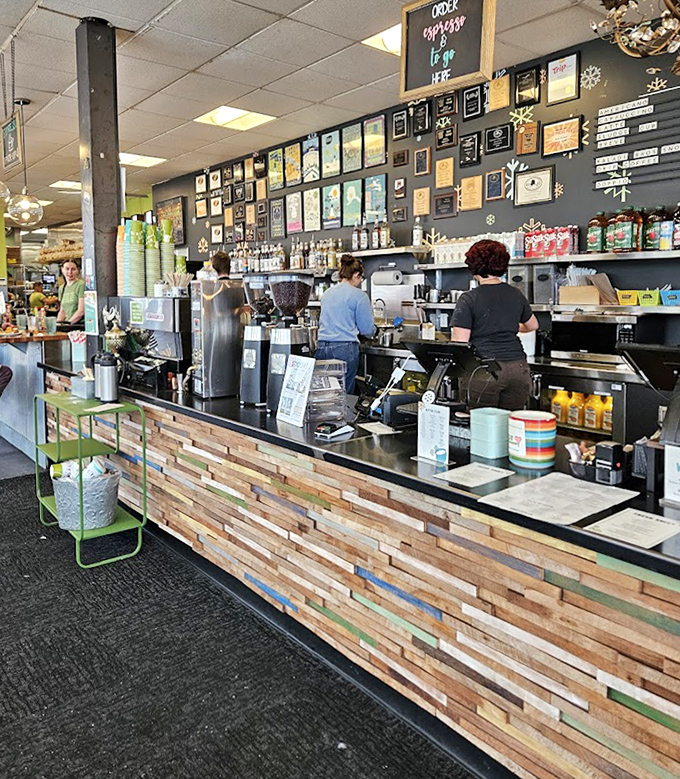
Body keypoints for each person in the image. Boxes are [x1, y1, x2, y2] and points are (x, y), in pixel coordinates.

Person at [452, 239, 539, 410]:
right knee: (512, 427)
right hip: (518, 368)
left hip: (484, 370)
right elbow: (533, 325)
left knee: (484, 429)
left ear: (473, 267)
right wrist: (512, 326)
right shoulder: (515, 293)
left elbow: (460, 343)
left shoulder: (469, 298)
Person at [316, 255, 375, 394]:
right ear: (355, 275)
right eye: (361, 278)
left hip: (322, 347)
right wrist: (375, 332)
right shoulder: (359, 296)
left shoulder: (327, 293)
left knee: (325, 393)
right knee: (343, 395)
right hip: (344, 349)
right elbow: (367, 329)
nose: (361, 281)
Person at [56, 260, 85, 325]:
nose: (70, 272)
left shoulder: (81, 285)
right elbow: (62, 311)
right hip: (67, 325)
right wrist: (57, 324)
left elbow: (81, 311)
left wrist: (68, 323)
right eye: (67, 269)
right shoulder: (62, 288)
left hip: (77, 325)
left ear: (78, 270)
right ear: (62, 270)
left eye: (73, 269)